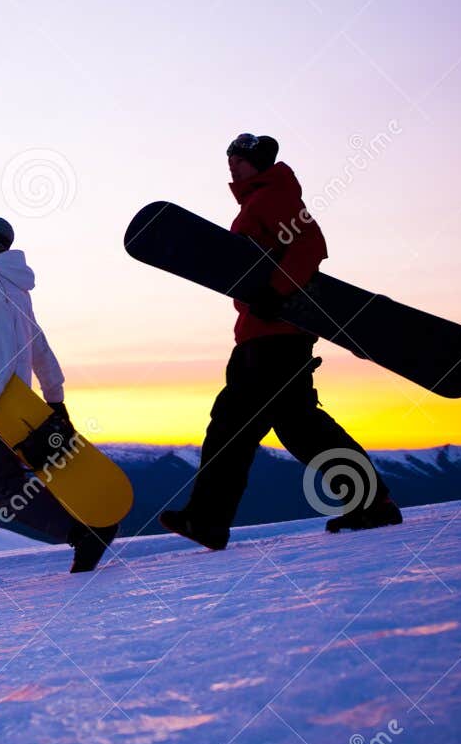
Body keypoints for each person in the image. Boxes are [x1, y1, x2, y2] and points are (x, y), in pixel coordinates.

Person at [160, 134, 403, 551]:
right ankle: (371, 502)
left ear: (259, 162)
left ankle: (207, 520)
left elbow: (311, 245)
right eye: (229, 160)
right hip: (266, 335)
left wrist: (276, 290)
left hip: (273, 339)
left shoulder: (274, 196)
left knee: (232, 426)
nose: (232, 166)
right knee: (300, 427)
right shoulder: (260, 201)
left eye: (239, 160)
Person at [0, 216, 118, 592]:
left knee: (6, 488)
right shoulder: (14, 287)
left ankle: (87, 531)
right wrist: (54, 396)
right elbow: (38, 344)